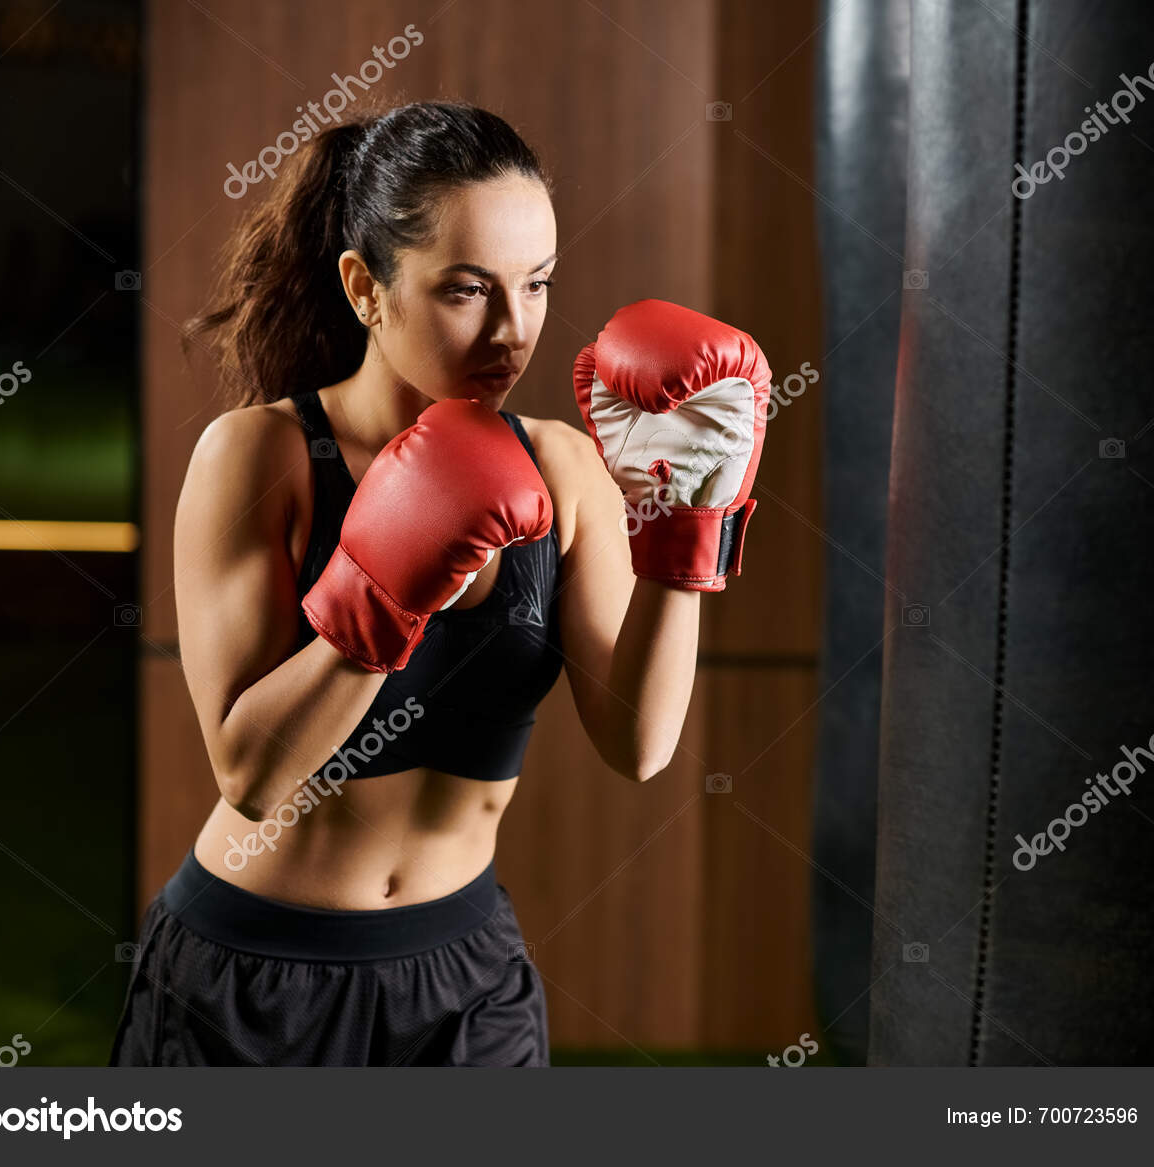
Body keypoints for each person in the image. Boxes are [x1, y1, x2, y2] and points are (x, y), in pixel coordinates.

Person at [108, 101, 770, 1067]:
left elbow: (639, 745)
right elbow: (249, 777)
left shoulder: (564, 468)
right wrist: (384, 585)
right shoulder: (261, 455)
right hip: (252, 975)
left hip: (465, 978)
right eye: (467, 289)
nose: (513, 329)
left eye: (536, 284)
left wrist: (684, 531)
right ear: (365, 288)